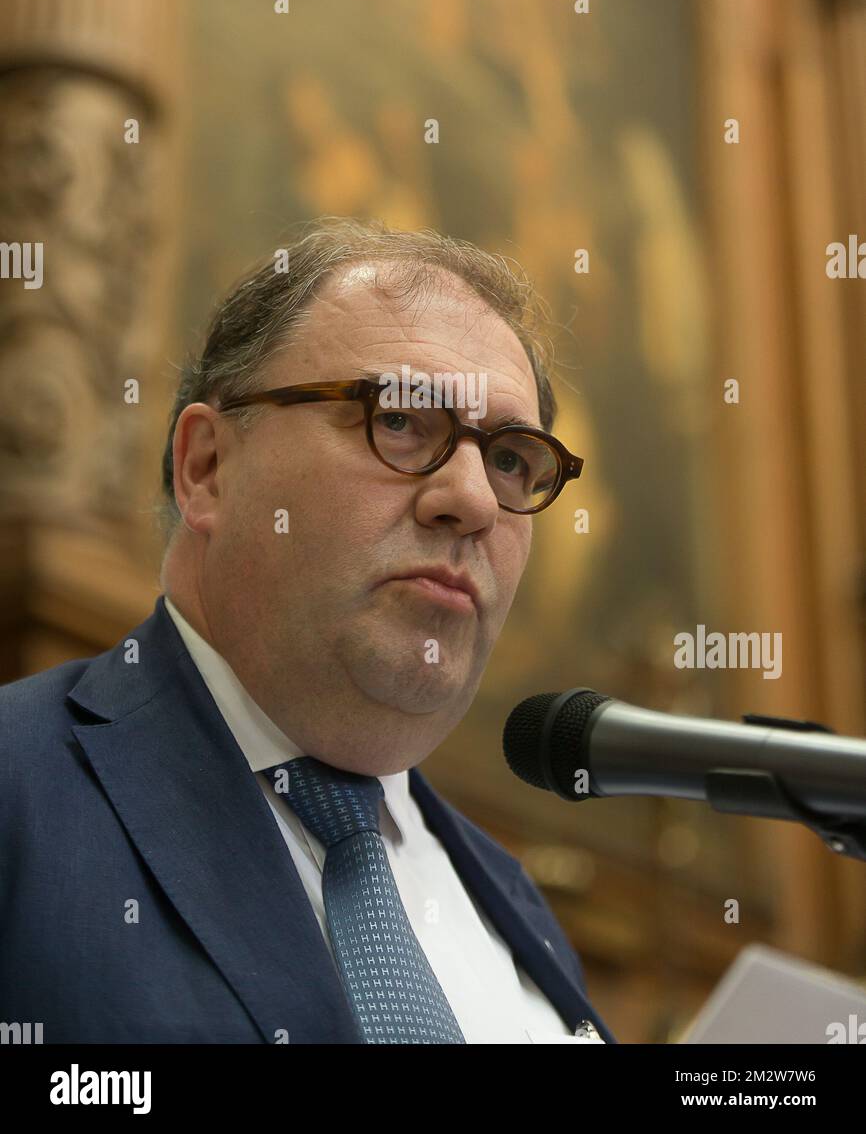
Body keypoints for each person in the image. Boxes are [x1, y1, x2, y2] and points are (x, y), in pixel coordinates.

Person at [0, 218, 616, 1045]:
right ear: (208, 469)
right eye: (399, 419)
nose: (471, 498)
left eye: (510, 459)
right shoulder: (21, 791)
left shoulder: (521, 914)